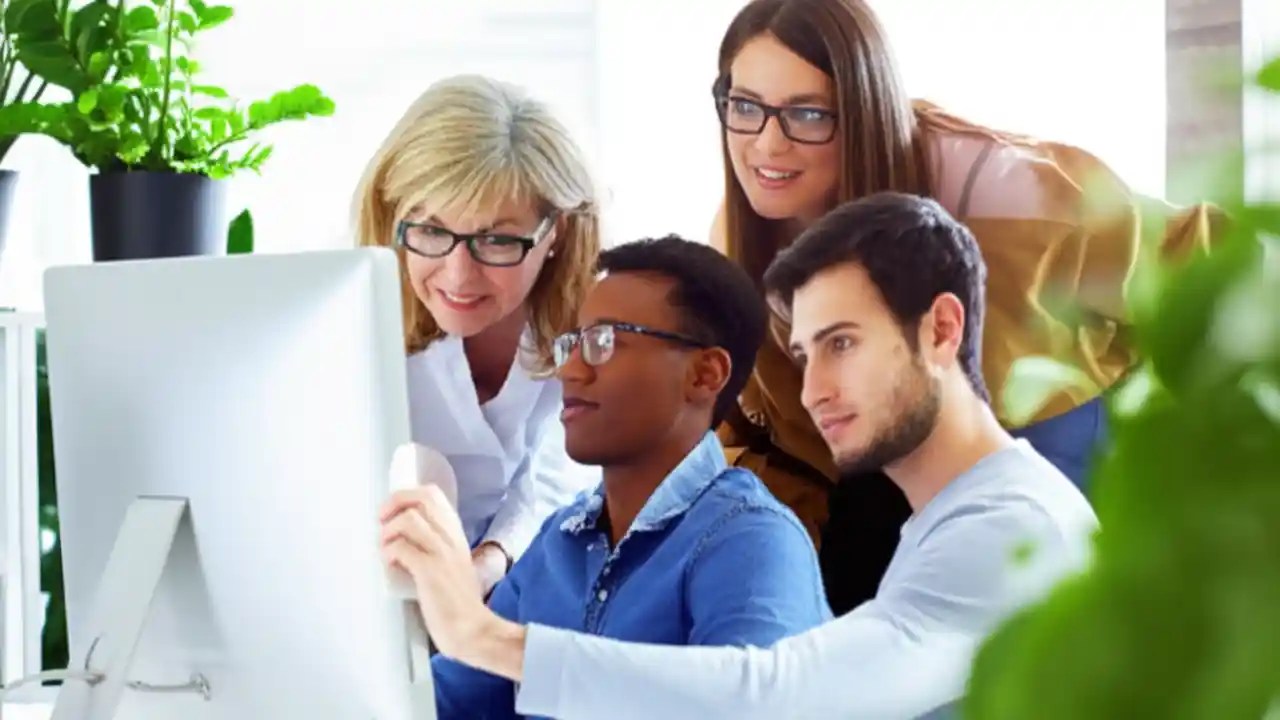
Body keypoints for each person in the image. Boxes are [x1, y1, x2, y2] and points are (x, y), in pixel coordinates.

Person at [379, 193, 1100, 719]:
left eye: (841, 343)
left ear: (940, 329)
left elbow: (774, 695)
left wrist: (480, 632)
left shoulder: (1012, 527)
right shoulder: (952, 521)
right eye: (805, 354)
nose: (814, 390)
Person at [706, 0, 1219, 613]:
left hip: (1031, 429)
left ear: (865, 110)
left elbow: (1218, 275)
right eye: (745, 106)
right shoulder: (742, 239)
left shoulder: (1016, 195)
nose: (766, 144)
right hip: (870, 454)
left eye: (808, 113)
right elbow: (763, 429)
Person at [390, 236, 830, 718]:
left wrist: (483, 635)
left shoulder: (754, 540)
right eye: (571, 343)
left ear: (705, 375)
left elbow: (752, 708)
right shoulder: (557, 542)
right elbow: (440, 704)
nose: (569, 371)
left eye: (603, 343)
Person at [353, 74, 602, 595]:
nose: (458, 275)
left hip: (536, 599)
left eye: (495, 239)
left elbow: (568, 469)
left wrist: (493, 557)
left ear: (555, 231)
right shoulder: (352, 323)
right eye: (430, 231)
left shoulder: (597, 321)